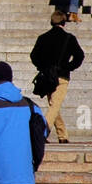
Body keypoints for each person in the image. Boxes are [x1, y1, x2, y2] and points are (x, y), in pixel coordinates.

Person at [29, 11, 84, 144]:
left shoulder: (42, 38)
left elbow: (34, 56)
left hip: (48, 76)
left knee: (54, 105)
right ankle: (42, 132)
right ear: (64, 23)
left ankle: (62, 135)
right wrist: (69, 67)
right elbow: (80, 56)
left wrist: (43, 67)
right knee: (55, 106)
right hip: (62, 76)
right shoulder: (69, 38)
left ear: (52, 22)